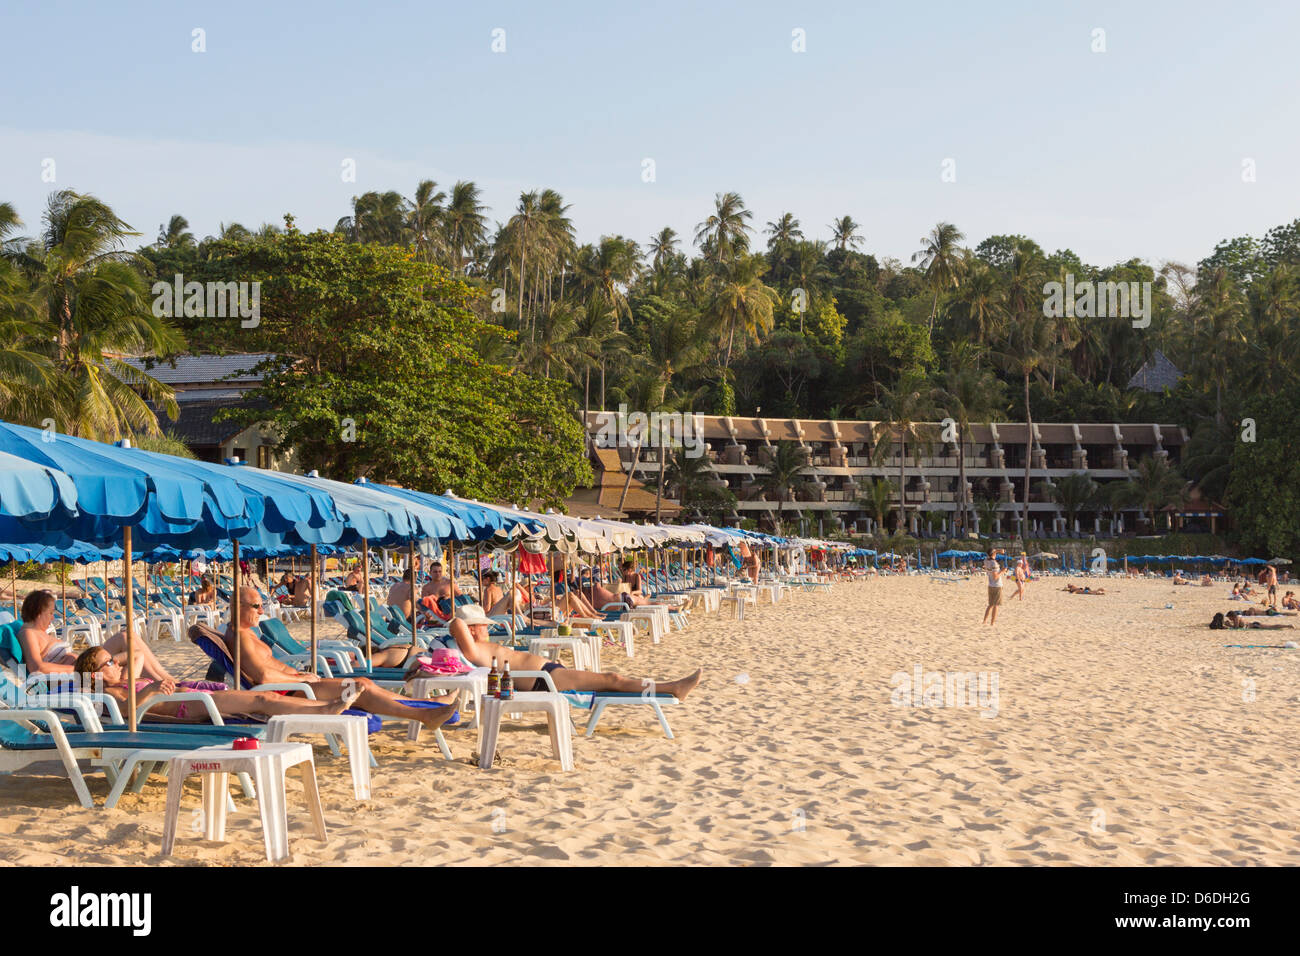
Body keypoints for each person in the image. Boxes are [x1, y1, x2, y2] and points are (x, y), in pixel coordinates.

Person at [222, 586, 459, 732]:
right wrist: (300, 679)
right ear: (237, 606)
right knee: (360, 689)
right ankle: (424, 715)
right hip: (290, 693)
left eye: (262, 605)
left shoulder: (246, 633)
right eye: (256, 606)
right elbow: (263, 676)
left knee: (364, 683)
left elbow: (270, 666)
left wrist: (298, 674)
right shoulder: (241, 637)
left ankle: (428, 705)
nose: (261, 611)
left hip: (294, 685)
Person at [448, 604, 702, 697]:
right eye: (482, 625)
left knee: (609, 680)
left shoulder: (479, 646)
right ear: (471, 629)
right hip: (544, 680)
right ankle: (672, 687)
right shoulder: (474, 649)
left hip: (547, 673)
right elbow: (456, 623)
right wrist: (462, 623)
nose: (487, 628)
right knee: (612, 679)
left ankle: (670, 687)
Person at [73, 646, 358, 720]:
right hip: (189, 707)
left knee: (263, 701)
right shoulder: (109, 696)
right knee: (263, 700)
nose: (116, 663)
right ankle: (325, 708)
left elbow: (136, 654)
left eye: (113, 660)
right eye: (108, 663)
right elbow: (126, 711)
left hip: (194, 698)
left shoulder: (126, 680)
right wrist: (150, 688)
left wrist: (111, 661)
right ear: (95, 675)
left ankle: (324, 706)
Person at [17, 589, 174, 680]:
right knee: (125, 640)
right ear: (39, 612)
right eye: (51, 613)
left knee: (128, 635)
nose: (53, 618)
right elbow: (37, 667)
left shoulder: (40, 632)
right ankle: (162, 681)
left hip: (87, 664)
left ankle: (167, 679)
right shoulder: (28, 633)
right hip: (84, 671)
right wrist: (78, 670)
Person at [982, 550, 1004, 625]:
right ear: (993, 553)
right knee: (995, 605)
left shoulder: (986, 561)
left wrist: (997, 551)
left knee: (990, 605)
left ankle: (984, 621)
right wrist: (1003, 571)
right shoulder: (994, 563)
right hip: (997, 585)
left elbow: (990, 556)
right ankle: (992, 623)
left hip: (990, 585)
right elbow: (995, 577)